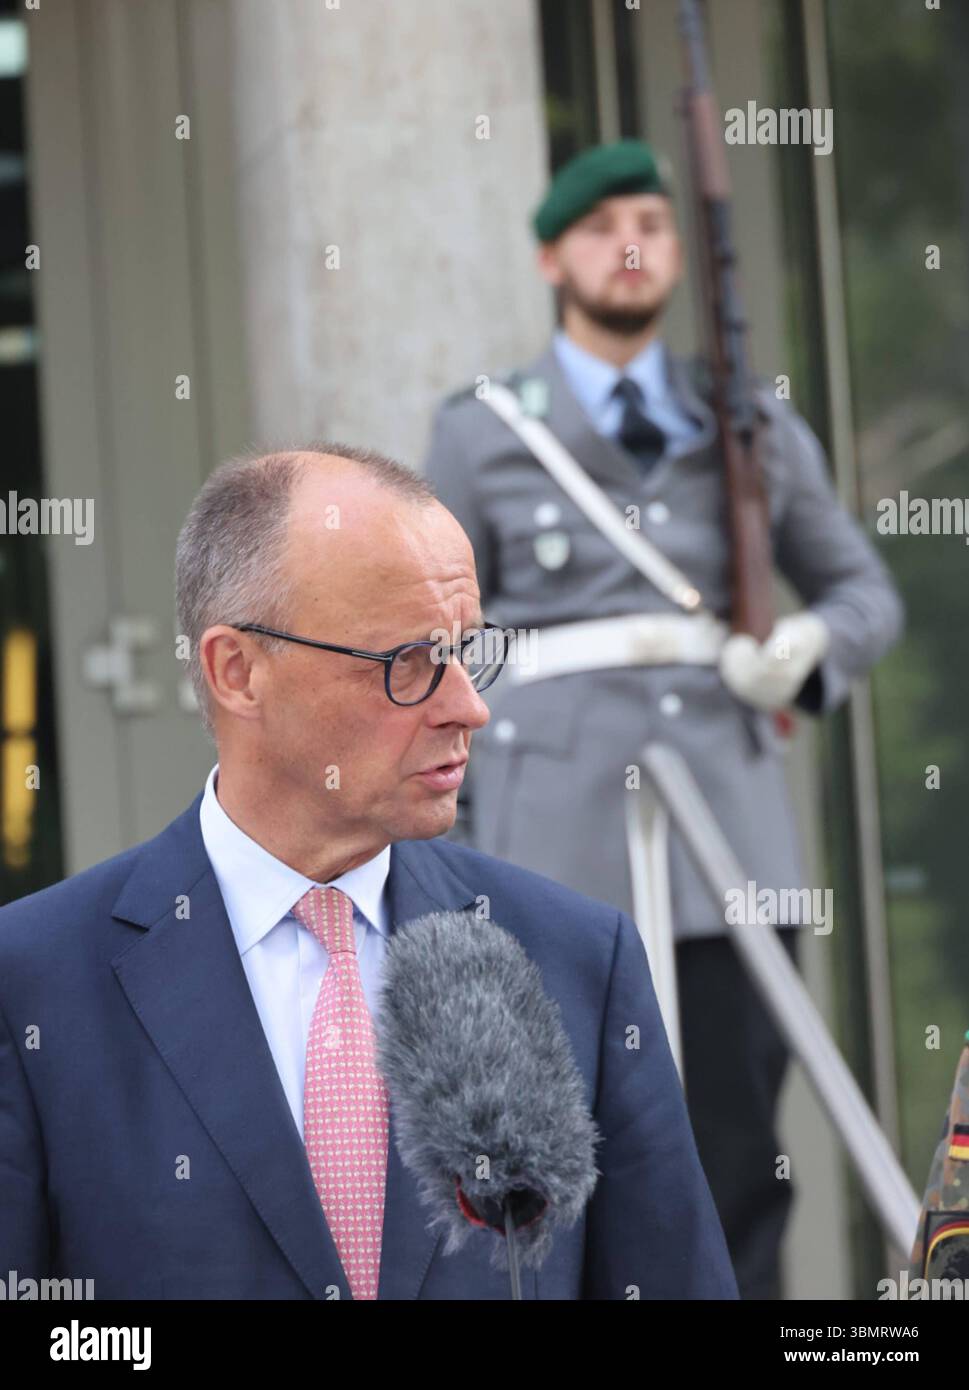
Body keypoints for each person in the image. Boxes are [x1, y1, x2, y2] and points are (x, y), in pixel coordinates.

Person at [0, 445, 737, 1301]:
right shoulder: (35, 981)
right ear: (237, 671)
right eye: (409, 663)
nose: (468, 705)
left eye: (466, 651)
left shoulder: (575, 958)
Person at [423, 140, 904, 1299]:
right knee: (550, 1149)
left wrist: (803, 652)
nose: (628, 245)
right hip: (553, 833)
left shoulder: (744, 421)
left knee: (739, 1140)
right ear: (552, 256)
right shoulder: (484, 429)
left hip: (727, 835)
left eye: (651, 221)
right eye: (598, 227)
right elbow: (437, 636)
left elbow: (863, 595)